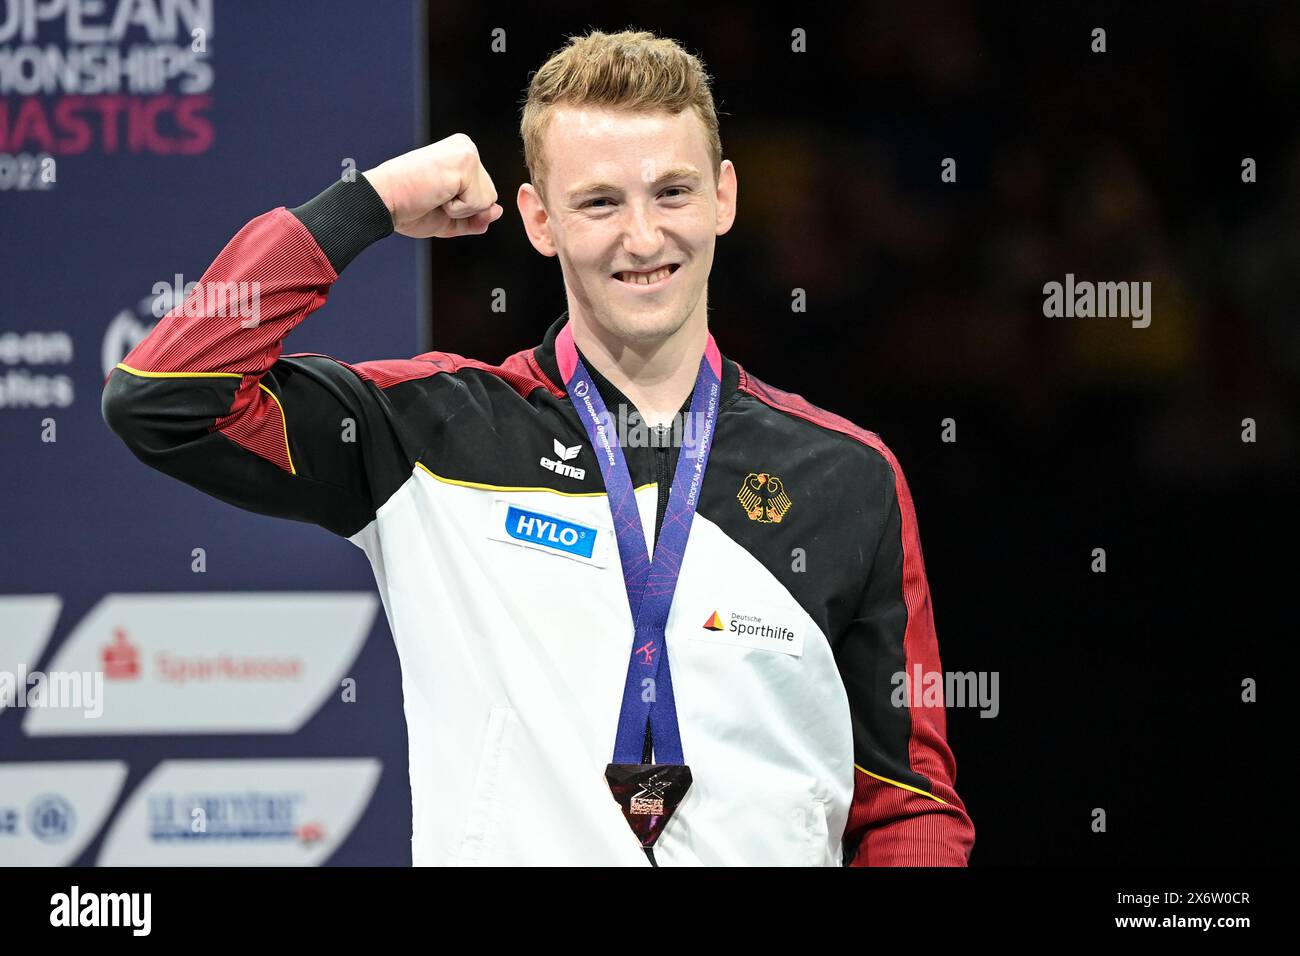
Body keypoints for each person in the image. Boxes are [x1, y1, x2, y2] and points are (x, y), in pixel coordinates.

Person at [101, 28, 974, 866]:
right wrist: (368, 204)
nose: (642, 238)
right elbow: (164, 396)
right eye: (598, 202)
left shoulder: (848, 475)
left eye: (672, 192)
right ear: (539, 218)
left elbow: (909, 801)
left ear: (725, 196)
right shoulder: (430, 433)